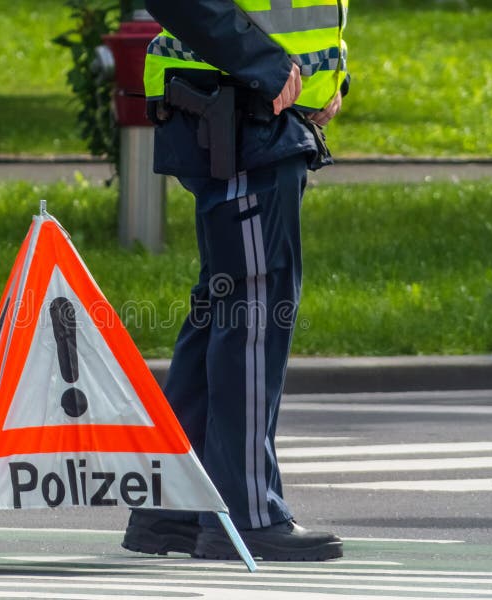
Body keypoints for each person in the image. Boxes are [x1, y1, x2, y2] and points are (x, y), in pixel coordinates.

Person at [122, 0, 350, 561]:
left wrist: (329, 82)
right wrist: (266, 65)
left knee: (226, 310)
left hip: (257, 111)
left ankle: (171, 507)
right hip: (238, 110)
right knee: (251, 313)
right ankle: (245, 515)